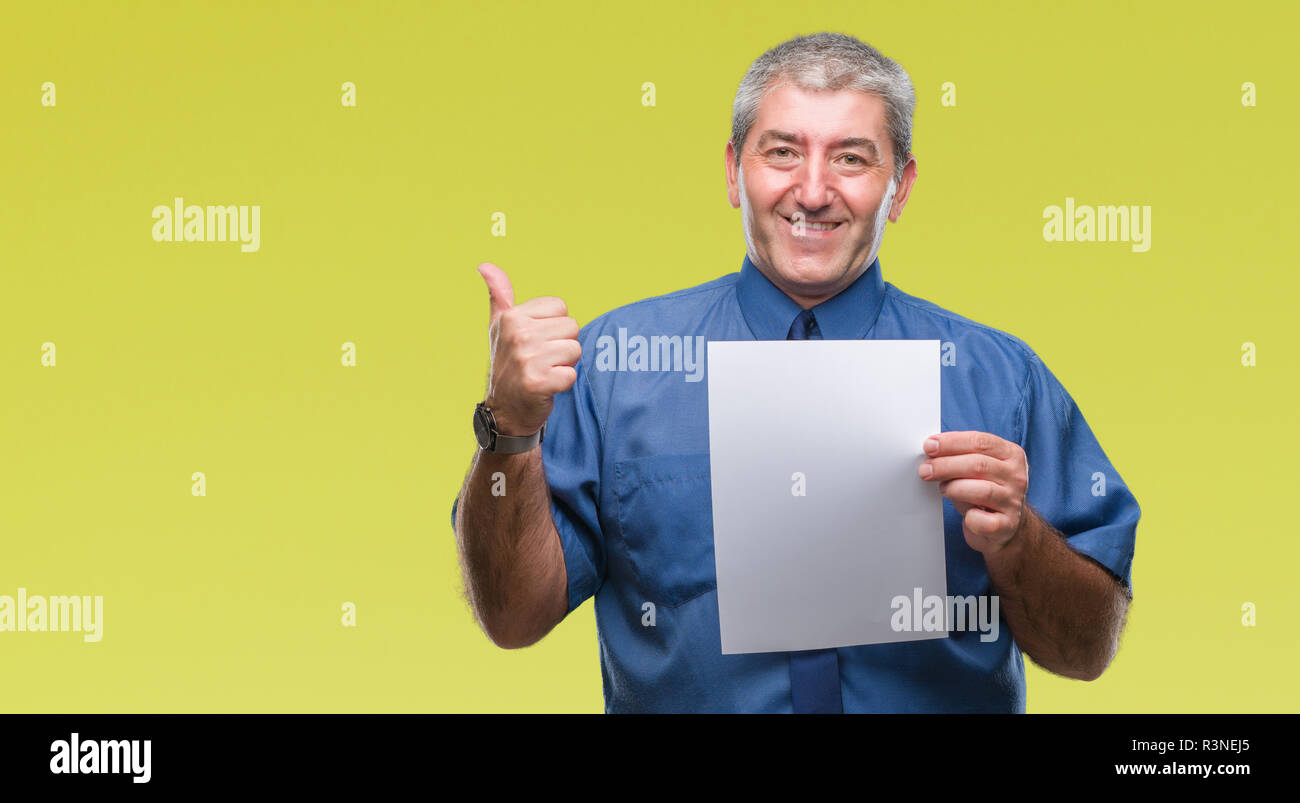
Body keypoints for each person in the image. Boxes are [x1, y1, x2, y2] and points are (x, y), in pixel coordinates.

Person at [452, 32, 1139, 713]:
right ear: (733, 172)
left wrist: (1019, 539)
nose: (812, 191)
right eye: (782, 152)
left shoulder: (1002, 379)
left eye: (851, 158)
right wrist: (508, 427)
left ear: (900, 188)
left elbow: (1087, 651)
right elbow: (512, 616)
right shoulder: (614, 367)